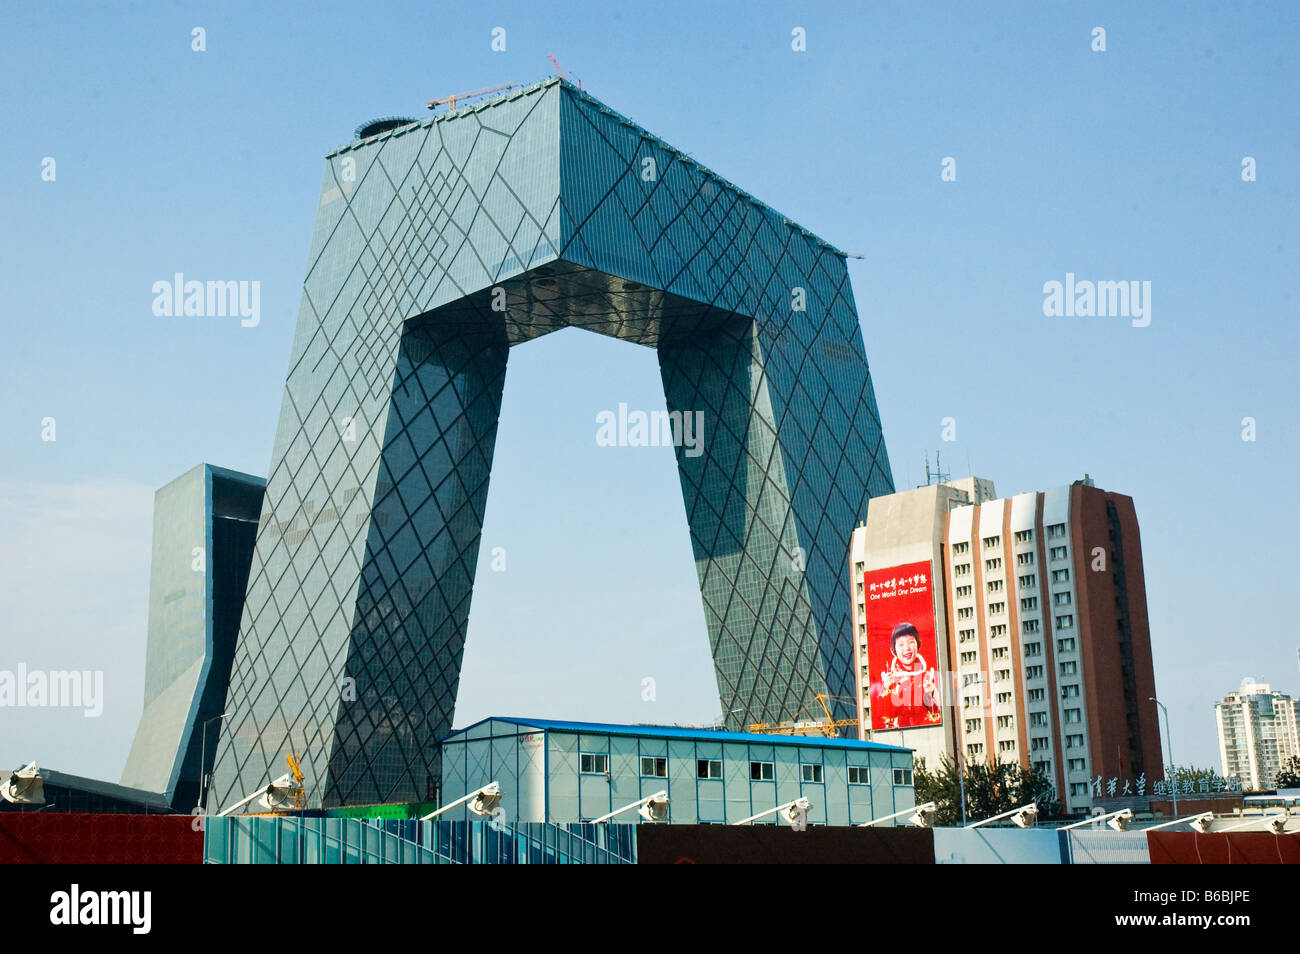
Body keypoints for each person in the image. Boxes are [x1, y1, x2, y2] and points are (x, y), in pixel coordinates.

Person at [876, 622, 941, 728]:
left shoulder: (930, 675)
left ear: (918, 644)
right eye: (901, 644)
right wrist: (886, 689)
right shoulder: (887, 678)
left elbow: (941, 713)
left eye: (911, 642)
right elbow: (882, 715)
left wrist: (932, 692)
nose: (907, 648)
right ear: (893, 650)